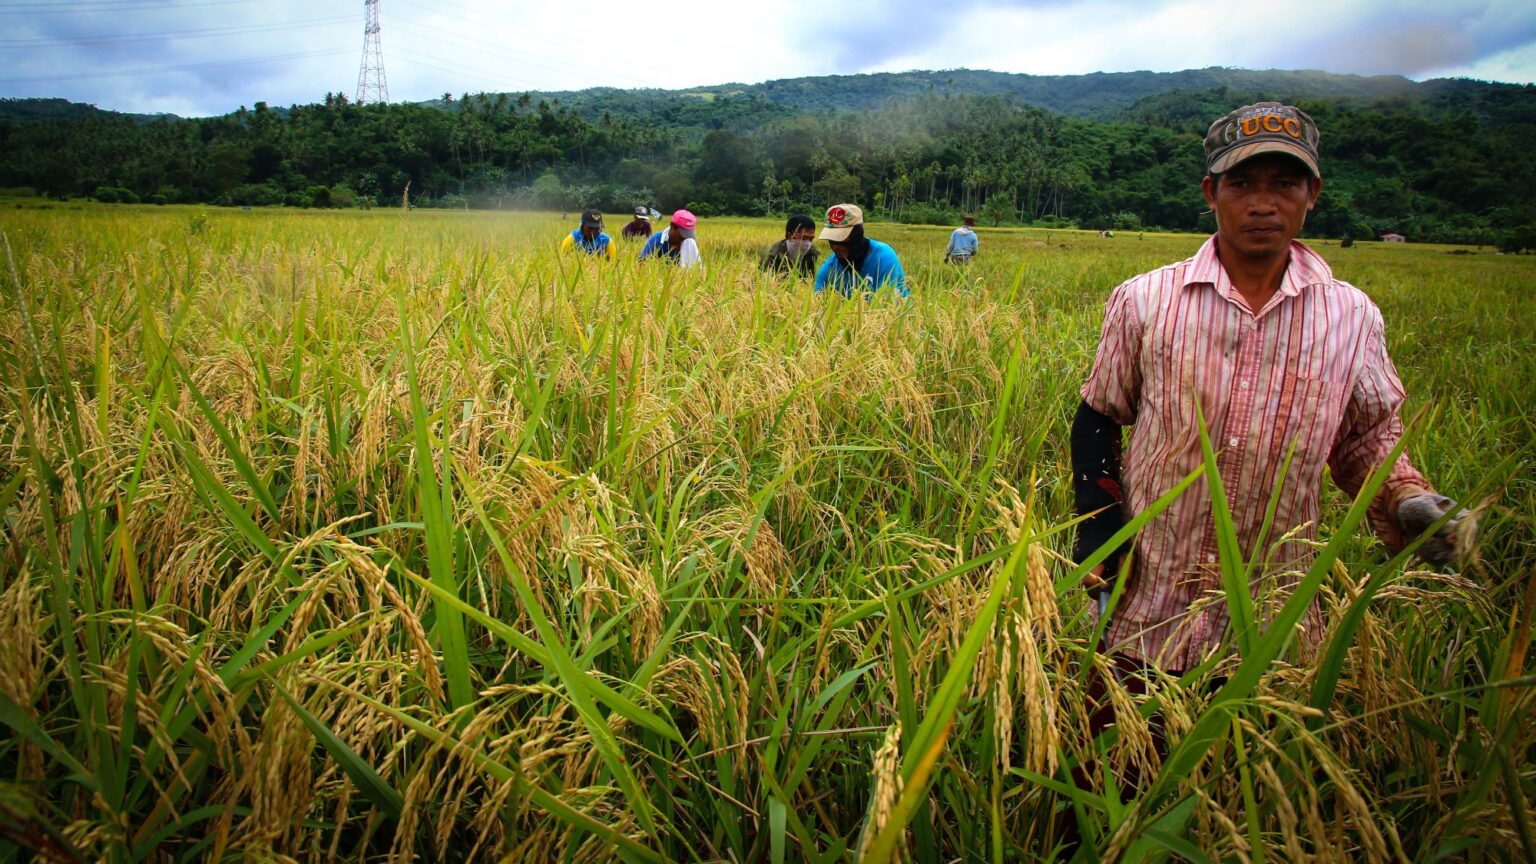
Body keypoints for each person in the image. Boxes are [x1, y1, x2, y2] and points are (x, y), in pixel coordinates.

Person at [1072, 102, 1475, 676]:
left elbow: (1366, 440)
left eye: (1285, 184)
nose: (1263, 203)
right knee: (1114, 759)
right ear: (1211, 193)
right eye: (1242, 184)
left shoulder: (1352, 317)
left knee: (1251, 763)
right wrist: (1100, 528)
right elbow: (1097, 414)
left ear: (1313, 193)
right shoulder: (1145, 300)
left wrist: (1404, 494)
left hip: (1269, 623)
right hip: (1145, 607)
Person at [813, 204, 908, 298]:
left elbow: (885, 306)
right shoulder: (831, 267)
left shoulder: (883, 257)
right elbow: (818, 297)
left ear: (858, 233)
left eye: (842, 239)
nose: (835, 246)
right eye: (832, 240)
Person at [638, 209, 703, 268]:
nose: (684, 238)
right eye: (683, 233)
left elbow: (695, 266)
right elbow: (640, 265)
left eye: (688, 234)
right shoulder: (656, 240)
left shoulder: (689, 242)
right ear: (672, 226)